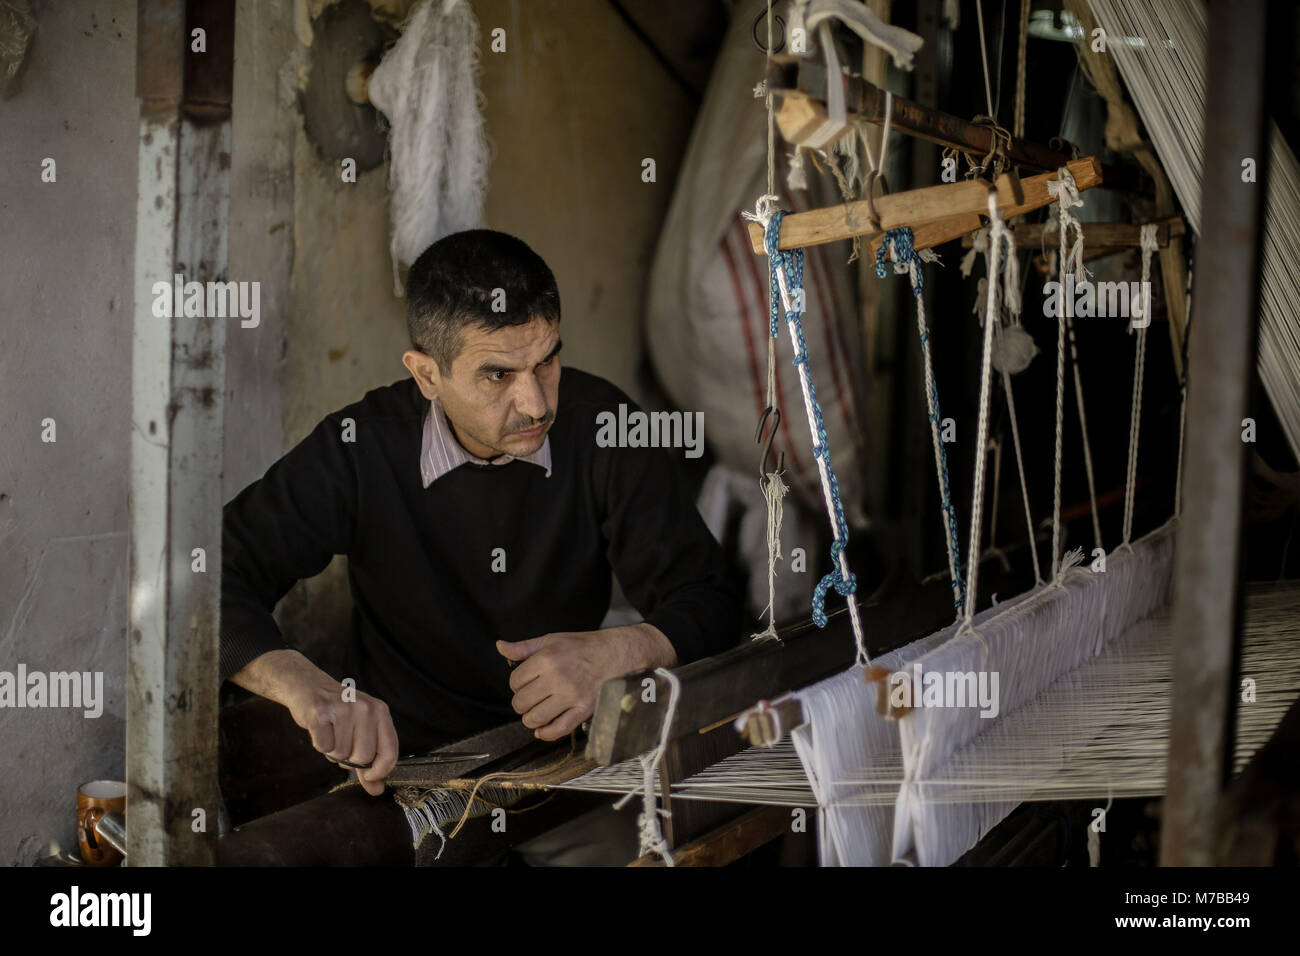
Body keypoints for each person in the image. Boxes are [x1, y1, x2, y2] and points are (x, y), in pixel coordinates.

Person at [219, 229, 743, 800]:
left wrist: (618, 651)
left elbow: (710, 599)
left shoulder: (606, 427)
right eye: (498, 375)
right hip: (404, 772)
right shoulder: (360, 447)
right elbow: (207, 575)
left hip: (562, 765)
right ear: (427, 376)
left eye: (547, 361)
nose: (537, 404)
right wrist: (303, 683)